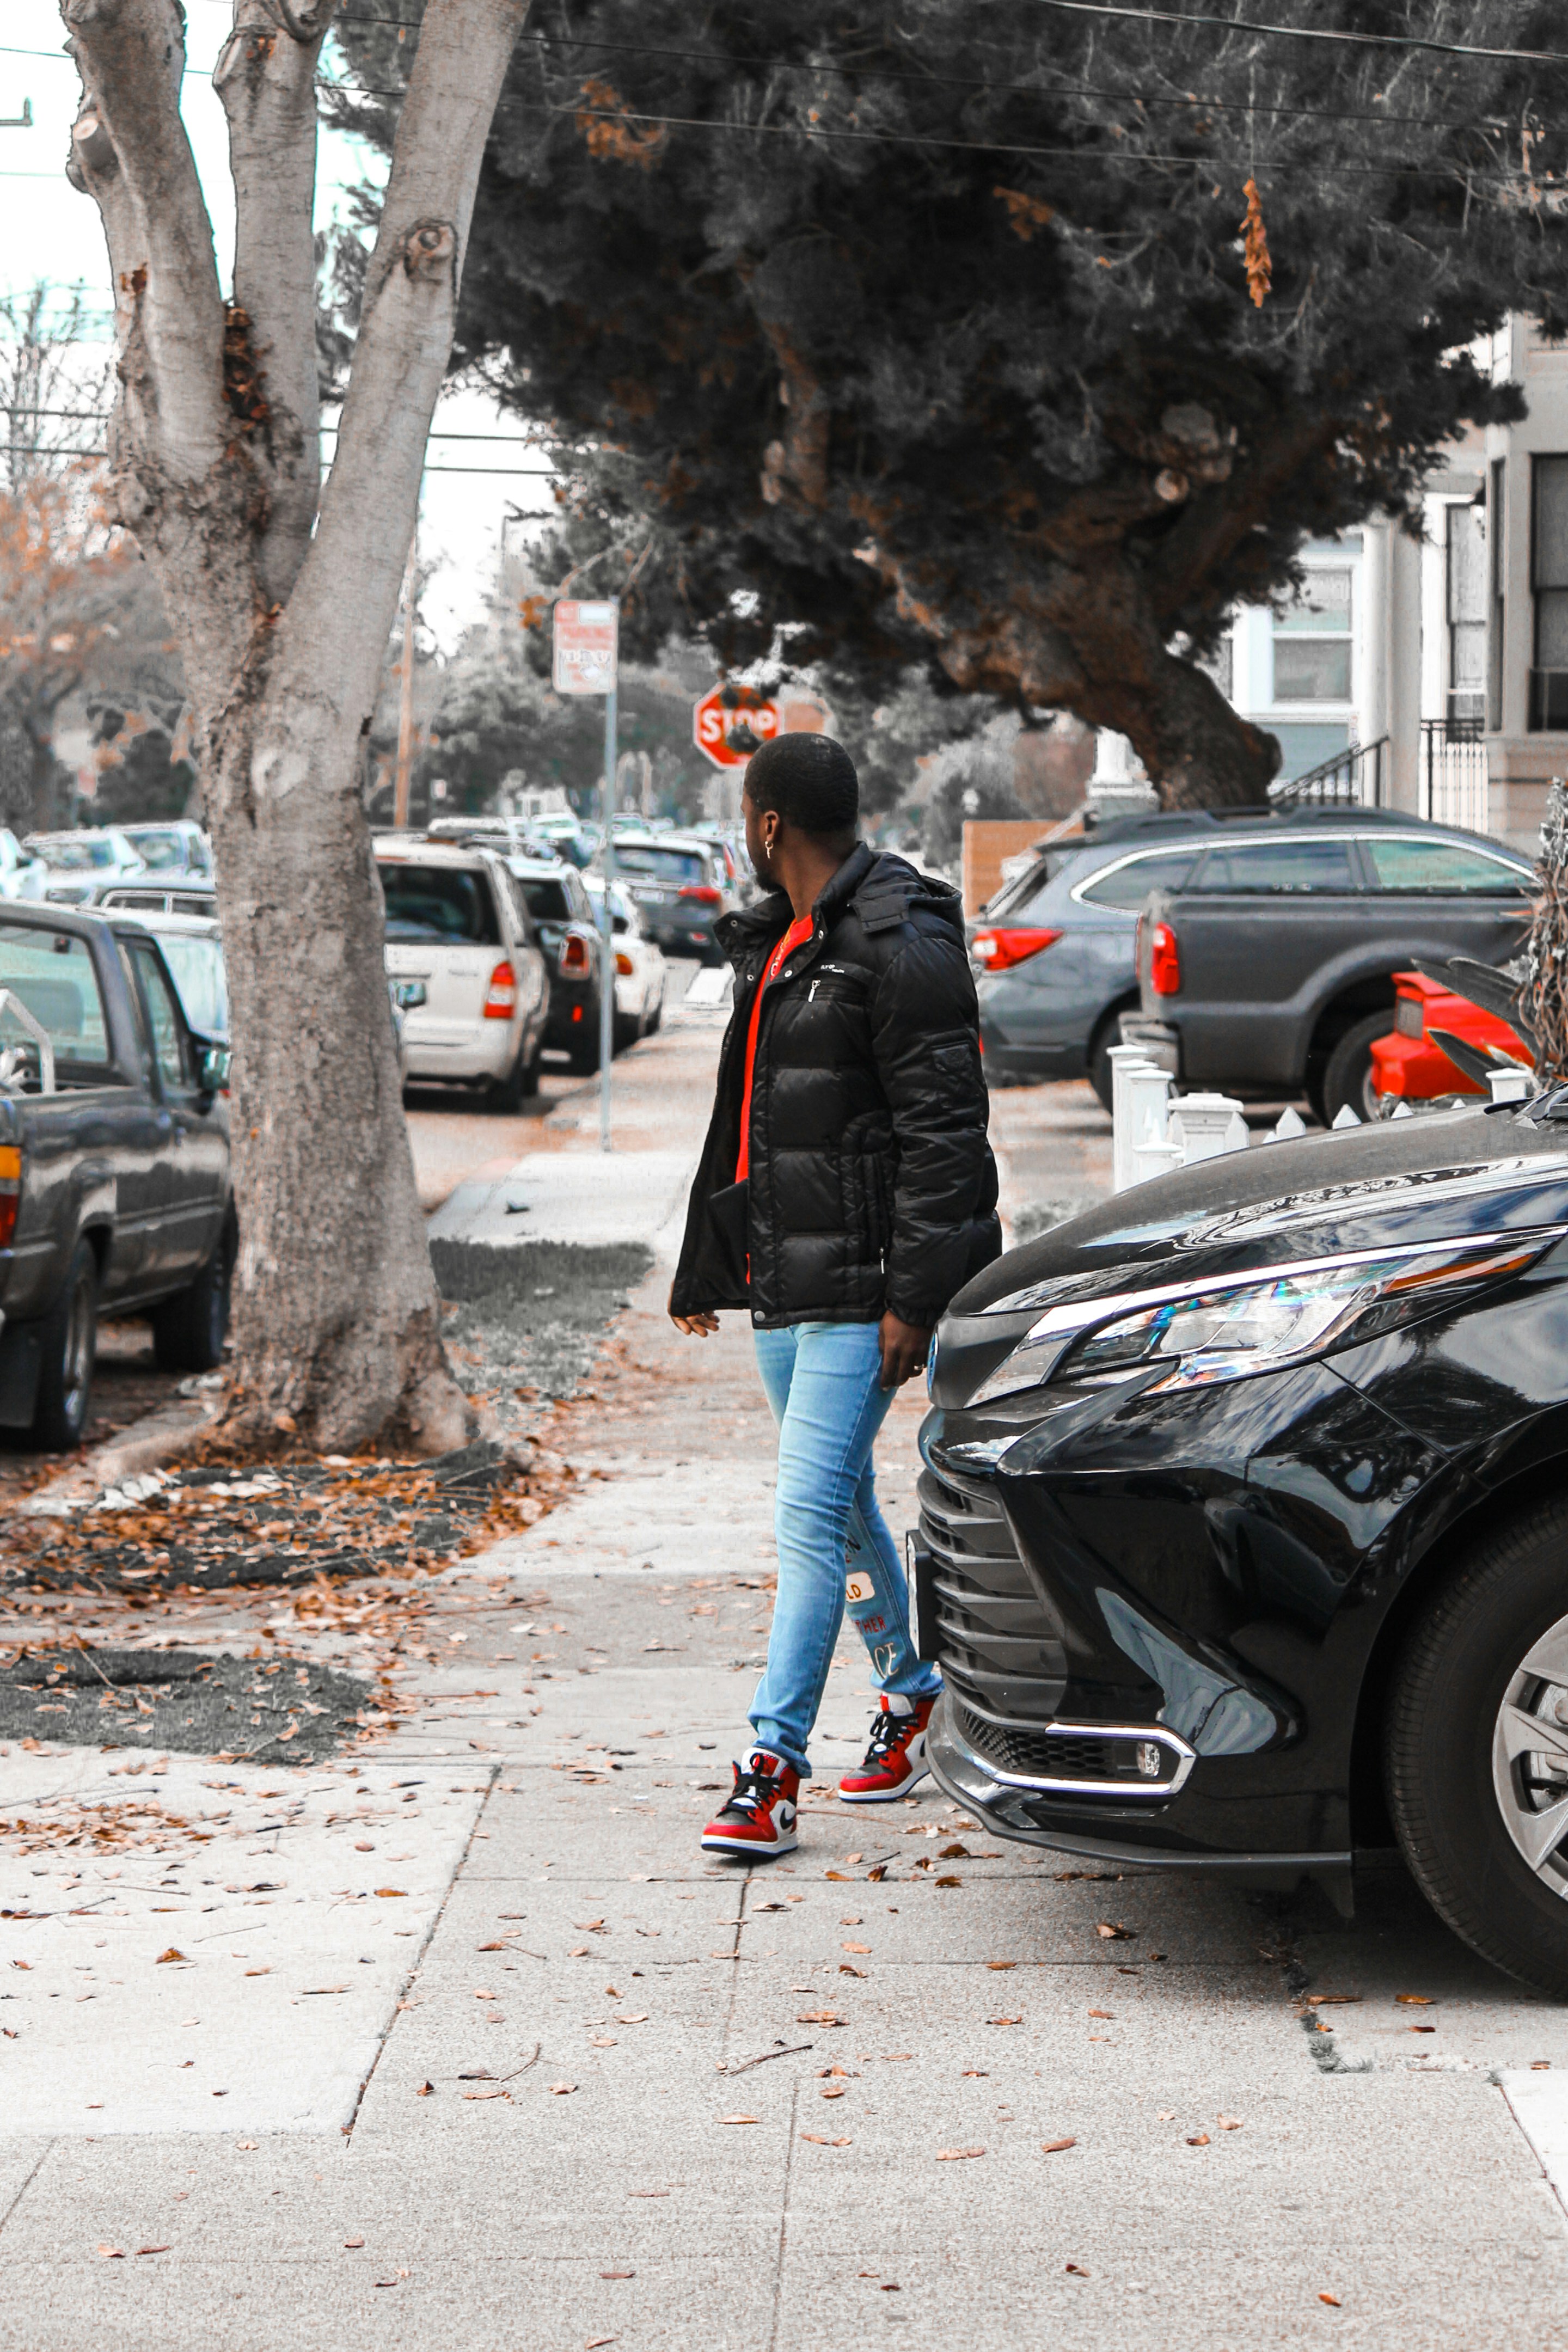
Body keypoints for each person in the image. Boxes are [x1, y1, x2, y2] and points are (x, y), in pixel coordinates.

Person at [669, 732, 1000, 1858]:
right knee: (843, 1500)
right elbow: (753, 1124)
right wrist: (708, 1266)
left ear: (769, 827)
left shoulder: (897, 944)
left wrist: (916, 1297)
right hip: (786, 1284)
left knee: (806, 1518)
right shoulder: (784, 942)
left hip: (864, 1295)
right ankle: (911, 1689)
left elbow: (946, 1139)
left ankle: (771, 1765)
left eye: (737, 817)